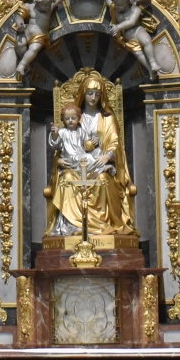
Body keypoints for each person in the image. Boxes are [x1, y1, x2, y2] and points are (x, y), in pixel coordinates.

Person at [46, 73, 134, 237]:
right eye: (89, 93)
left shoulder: (107, 118)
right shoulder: (73, 118)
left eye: (97, 93)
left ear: (102, 95)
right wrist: (58, 161)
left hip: (100, 166)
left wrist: (107, 156)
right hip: (75, 166)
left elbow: (116, 145)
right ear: (83, 93)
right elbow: (61, 147)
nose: (93, 97)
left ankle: (100, 227)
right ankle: (73, 226)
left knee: (102, 180)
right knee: (66, 180)